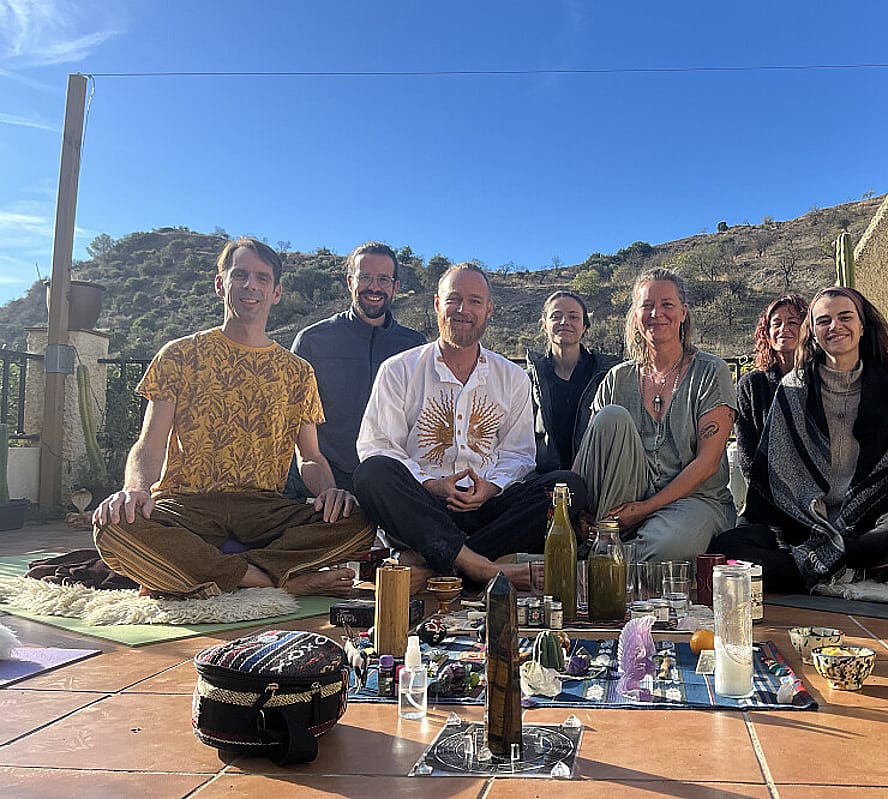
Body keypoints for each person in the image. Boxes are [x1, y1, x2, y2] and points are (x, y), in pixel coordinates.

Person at [92, 238, 375, 598]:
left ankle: (193, 571)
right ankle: (279, 580)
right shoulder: (179, 355)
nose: (250, 285)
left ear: (276, 293)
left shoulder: (297, 371)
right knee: (113, 526)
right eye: (240, 275)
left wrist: (330, 492)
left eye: (262, 278)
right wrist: (135, 490)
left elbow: (310, 457)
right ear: (220, 284)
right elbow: (150, 444)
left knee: (359, 521)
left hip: (264, 510)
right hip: (187, 505)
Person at [354, 263, 585, 589]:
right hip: (424, 508)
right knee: (372, 472)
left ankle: (440, 565)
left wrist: (491, 487)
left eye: (475, 301)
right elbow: (378, 445)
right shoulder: (399, 370)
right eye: (454, 299)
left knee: (569, 487)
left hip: (489, 510)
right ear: (437, 304)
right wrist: (429, 484)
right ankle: (482, 568)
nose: (463, 310)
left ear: (488, 309)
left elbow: (519, 454)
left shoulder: (512, 377)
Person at [712, 286, 888, 591]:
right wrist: (812, 512)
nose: (835, 326)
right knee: (728, 546)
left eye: (845, 317)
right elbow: (772, 471)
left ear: (862, 325)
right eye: (824, 321)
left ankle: (810, 570)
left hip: (868, 520)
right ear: (813, 332)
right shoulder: (793, 388)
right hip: (802, 521)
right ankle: (843, 569)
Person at [573, 268, 737, 562]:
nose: (656, 313)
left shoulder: (711, 371)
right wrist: (574, 510)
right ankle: (604, 544)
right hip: (624, 499)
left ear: (683, 313)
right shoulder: (617, 378)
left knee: (668, 548)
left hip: (693, 500)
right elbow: (591, 452)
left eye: (667, 304)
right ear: (635, 315)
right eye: (646, 305)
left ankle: (597, 559)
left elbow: (708, 462)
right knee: (610, 417)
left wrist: (645, 510)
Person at [289, 241, 424, 494]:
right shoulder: (312, 342)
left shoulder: (415, 347)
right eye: (365, 277)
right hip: (324, 479)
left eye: (383, 279)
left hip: (393, 482)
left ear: (395, 287)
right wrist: (327, 490)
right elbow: (297, 430)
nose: (374, 287)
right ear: (350, 282)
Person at [527, 290, 618, 474]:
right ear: (544, 325)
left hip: (595, 477)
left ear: (584, 327)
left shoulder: (607, 375)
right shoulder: (528, 380)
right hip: (544, 479)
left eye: (573, 316)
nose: (564, 322)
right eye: (556, 316)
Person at [734, 294, 808, 482]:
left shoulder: (820, 379)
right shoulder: (751, 385)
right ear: (767, 333)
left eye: (792, 322)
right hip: (767, 489)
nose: (784, 329)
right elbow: (746, 449)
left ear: (807, 329)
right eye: (777, 324)